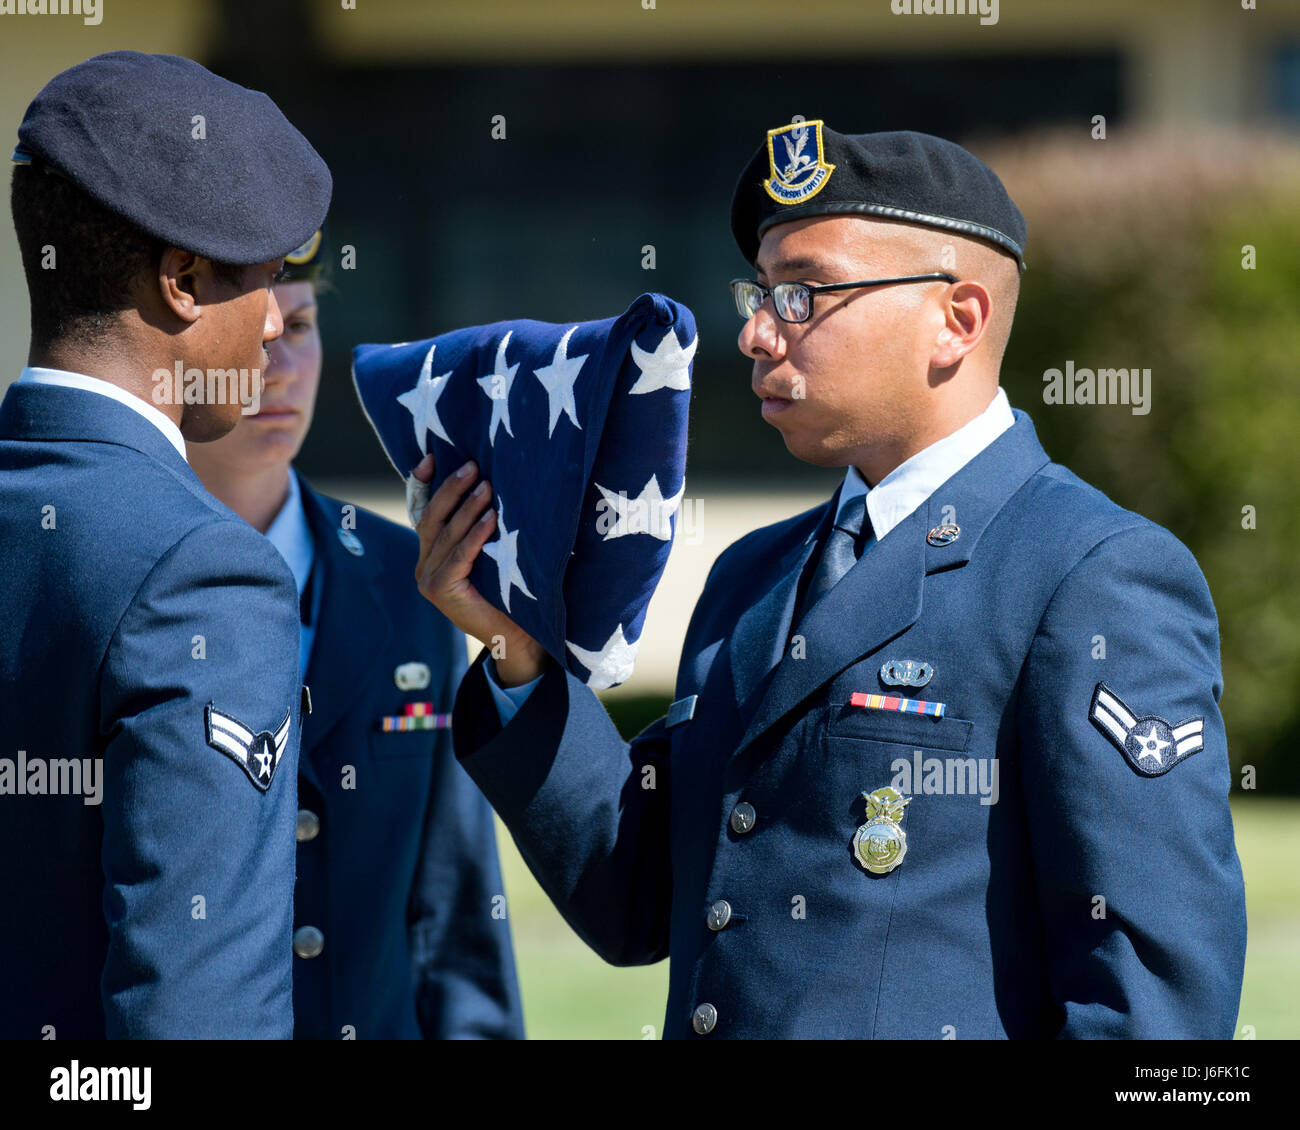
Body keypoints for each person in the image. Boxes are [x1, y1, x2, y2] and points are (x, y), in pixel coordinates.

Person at [408, 122, 1247, 1039]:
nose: (757, 334)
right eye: (760, 293)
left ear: (956, 319)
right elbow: (636, 898)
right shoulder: (753, 573)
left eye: (804, 295)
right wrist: (515, 650)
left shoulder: (1091, 572)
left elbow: (1158, 1012)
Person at [0, 51, 330, 1039]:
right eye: (266, 278)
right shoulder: (203, 574)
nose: (276, 322)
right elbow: (194, 1014)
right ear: (182, 280)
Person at [187, 231, 524, 1039]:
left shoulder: (407, 574)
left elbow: (453, 908)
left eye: (299, 328)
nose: (280, 368)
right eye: (256, 336)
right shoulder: (110, 569)